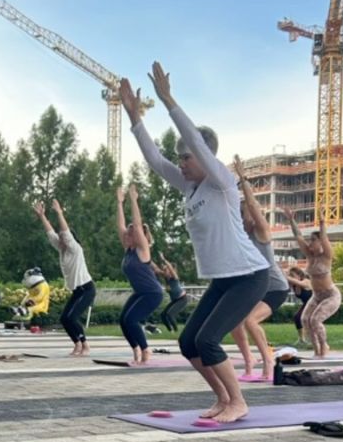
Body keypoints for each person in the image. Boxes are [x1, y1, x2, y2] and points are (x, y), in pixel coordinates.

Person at [120, 63, 269, 421]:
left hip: (249, 276)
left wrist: (168, 101)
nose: (181, 162)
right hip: (223, 279)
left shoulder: (222, 182)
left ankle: (239, 401)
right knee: (189, 343)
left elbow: (196, 144)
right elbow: (155, 161)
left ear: (204, 155)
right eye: (180, 156)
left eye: (186, 156)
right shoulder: (190, 187)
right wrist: (135, 118)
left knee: (208, 341)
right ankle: (223, 399)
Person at [231, 155, 290, 382]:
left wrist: (244, 180)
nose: (242, 215)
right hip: (257, 288)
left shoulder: (260, 233)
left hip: (275, 288)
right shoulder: (242, 237)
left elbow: (254, 207)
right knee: (235, 322)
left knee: (250, 321)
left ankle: (268, 360)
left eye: (243, 212)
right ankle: (249, 362)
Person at [34, 198, 96, 356]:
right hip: (77, 291)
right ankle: (77, 344)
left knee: (73, 317)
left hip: (87, 289)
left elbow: (66, 234)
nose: (60, 240)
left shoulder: (75, 249)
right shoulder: (61, 249)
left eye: (63, 238)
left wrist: (59, 212)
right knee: (64, 319)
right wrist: (42, 216)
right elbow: (50, 234)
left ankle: (85, 346)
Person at [280, 208, 341, 358]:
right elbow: (298, 236)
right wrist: (291, 220)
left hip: (331, 296)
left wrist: (321, 222)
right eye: (310, 240)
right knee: (305, 319)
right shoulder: (309, 255)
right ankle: (316, 349)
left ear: (320, 242)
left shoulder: (326, 255)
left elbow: (325, 238)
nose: (310, 242)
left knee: (315, 319)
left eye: (313, 240)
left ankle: (324, 347)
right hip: (317, 295)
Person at [115, 184, 164, 364]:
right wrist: (119, 203)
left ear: (138, 235)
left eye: (131, 233)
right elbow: (120, 225)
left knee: (132, 320)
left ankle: (146, 350)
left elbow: (136, 223)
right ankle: (136, 349)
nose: (127, 234)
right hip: (140, 293)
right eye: (127, 233)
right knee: (123, 320)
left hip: (152, 293)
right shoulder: (128, 250)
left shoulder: (142, 250)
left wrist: (134, 201)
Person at [156, 254, 188, 332]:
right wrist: (147, 260)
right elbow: (156, 269)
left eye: (166, 270)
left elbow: (170, 267)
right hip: (175, 300)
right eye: (164, 270)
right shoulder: (166, 278)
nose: (164, 271)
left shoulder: (174, 277)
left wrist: (163, 259)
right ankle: (170, 330)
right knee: (163, 315)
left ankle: (176, 331)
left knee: (170, 314)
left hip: (182, 299)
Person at [287, 265, 312, 346]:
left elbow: (301, 284)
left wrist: (286, 277)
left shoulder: (306, 281)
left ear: (299, 275)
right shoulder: (294, 285)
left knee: (309, 320)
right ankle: (302, 339)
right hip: (307, 304)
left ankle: (313, 339)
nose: (291, 278)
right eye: (290, 276)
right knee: (297, 317)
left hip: (315, 303)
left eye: (293, 276)